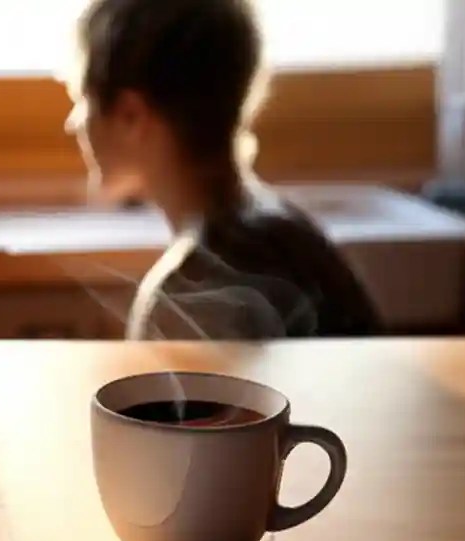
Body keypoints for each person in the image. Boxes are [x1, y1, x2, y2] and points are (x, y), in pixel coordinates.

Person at [66, 0, 379, 340]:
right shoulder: (298, 237)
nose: (72, 123)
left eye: (82, 100)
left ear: (131, 116)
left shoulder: (188, 299)